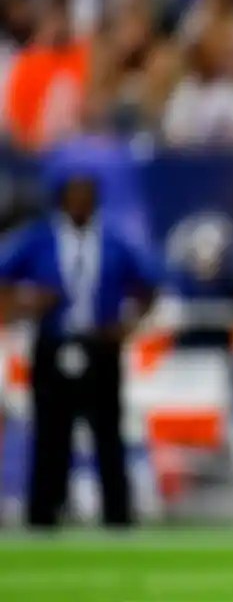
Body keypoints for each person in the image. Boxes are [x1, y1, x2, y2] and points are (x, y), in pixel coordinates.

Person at [0, 161, 156, 528]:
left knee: (108, 433)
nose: (80, 203)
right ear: (60, 200)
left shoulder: (115, 243)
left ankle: (117, 515)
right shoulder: (38, 241)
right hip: (54, 342)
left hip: (100, 344)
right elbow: (5, 281)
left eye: (87, 196)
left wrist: (126, 327)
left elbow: (148, 286)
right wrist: (27, 302)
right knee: (51, 433)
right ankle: (43, 514)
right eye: (74, 195)